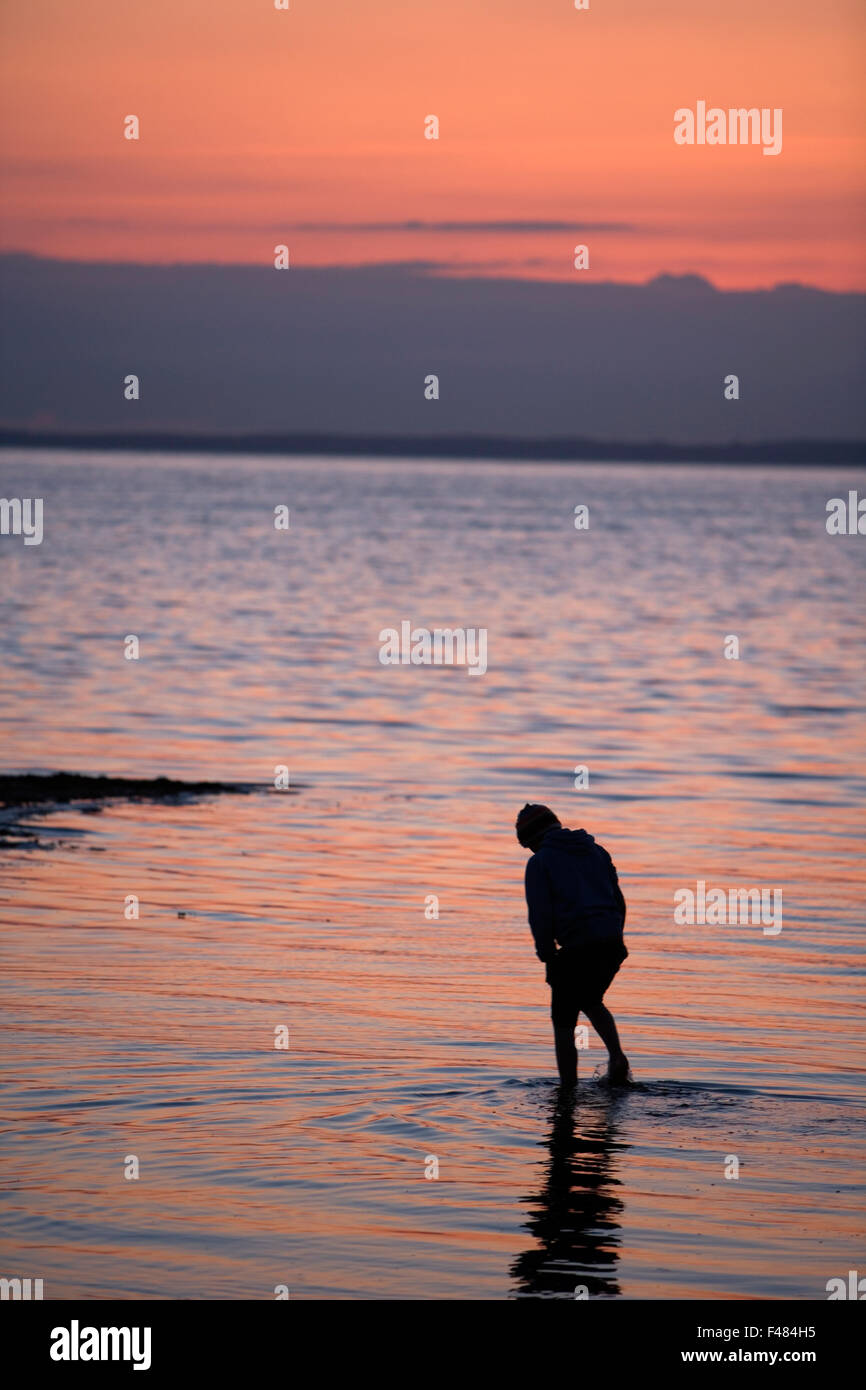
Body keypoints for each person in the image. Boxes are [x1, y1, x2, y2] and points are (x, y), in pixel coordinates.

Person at [516, 803, 630, 1087]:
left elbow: (539, 913)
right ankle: (617, 1058)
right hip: (611, 945)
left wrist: (546, 953)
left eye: (528, 845)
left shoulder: (540, 862)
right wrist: (615, 935)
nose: (530, 852)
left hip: (577, 950)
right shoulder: (597, 851)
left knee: (563, 1020)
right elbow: (619, 901)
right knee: (591, 1000)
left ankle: (568, 1089)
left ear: (533, 840)